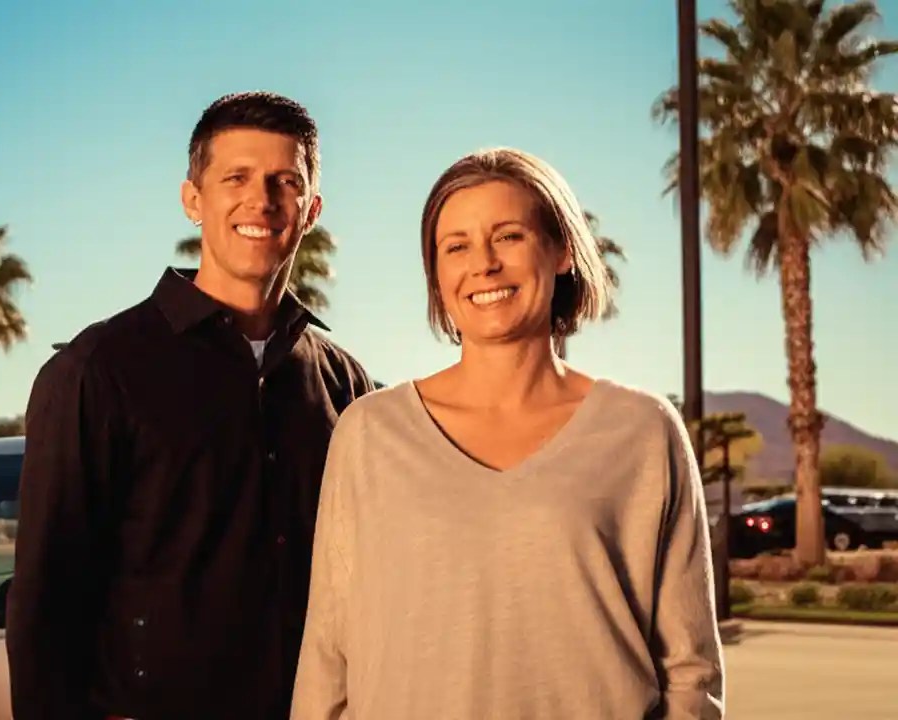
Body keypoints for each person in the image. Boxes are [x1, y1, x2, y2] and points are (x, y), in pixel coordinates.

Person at [290, 147, 725, 719]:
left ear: (562, 250)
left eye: (509, 236)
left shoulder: (642, 431)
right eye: (457, 246)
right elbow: (327, 653)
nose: (484, 264)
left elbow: (690, 669)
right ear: (437, 274)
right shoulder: (369, 433)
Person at [6, 91, 375, 720]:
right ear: (193, 200)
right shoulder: (98, 370)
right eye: (236, 177)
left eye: (284, 181)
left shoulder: (347, 387)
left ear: (309, 210)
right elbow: (47, 599)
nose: (260, 200)